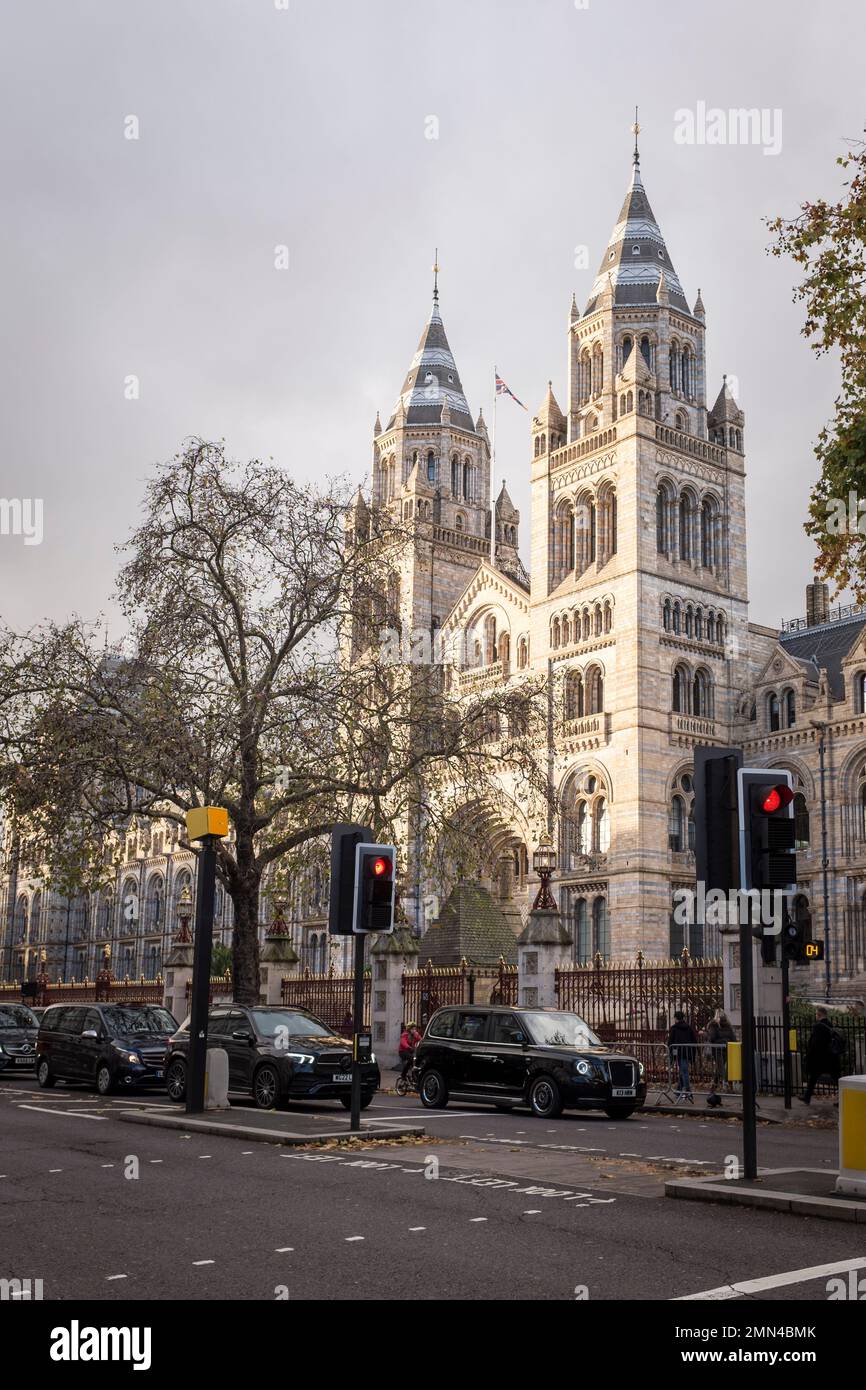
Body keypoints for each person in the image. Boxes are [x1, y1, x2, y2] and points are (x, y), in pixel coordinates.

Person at [801, 1006, 844, 1104]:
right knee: (835, 1078)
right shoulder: (830, 1025)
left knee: (814, 1077)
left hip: (820, 1058)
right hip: (831, 1057)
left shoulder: (818, 1026)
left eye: (816, 1014)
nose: (816, 1016)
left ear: (819, 1015)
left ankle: (807, 1097)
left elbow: (815, 1043)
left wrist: (809, 1055)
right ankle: (807, 1097)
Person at [668, 1011, 699, 1101]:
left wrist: (671, 1055)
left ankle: (688, 1091)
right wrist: (693, 1054)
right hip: (688, 1052)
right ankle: (678, 1091)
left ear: (676, 1018)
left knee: (684, 1071)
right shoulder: (689, 1028)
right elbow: (694, 1041)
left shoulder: (674, 1028)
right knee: (683, 1070)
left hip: (679, 1053)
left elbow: (670, 1042)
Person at [704, 1009, 736, 1094]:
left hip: (718, 1049)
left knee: (720, 1068)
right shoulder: (728, 1025)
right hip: (728, 1048)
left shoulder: (714, 1025)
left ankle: (723, 1086)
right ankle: (717, 1087)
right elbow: (733, 1038)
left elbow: (712, 1038)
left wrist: (705, 1035)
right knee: (720, 1068)